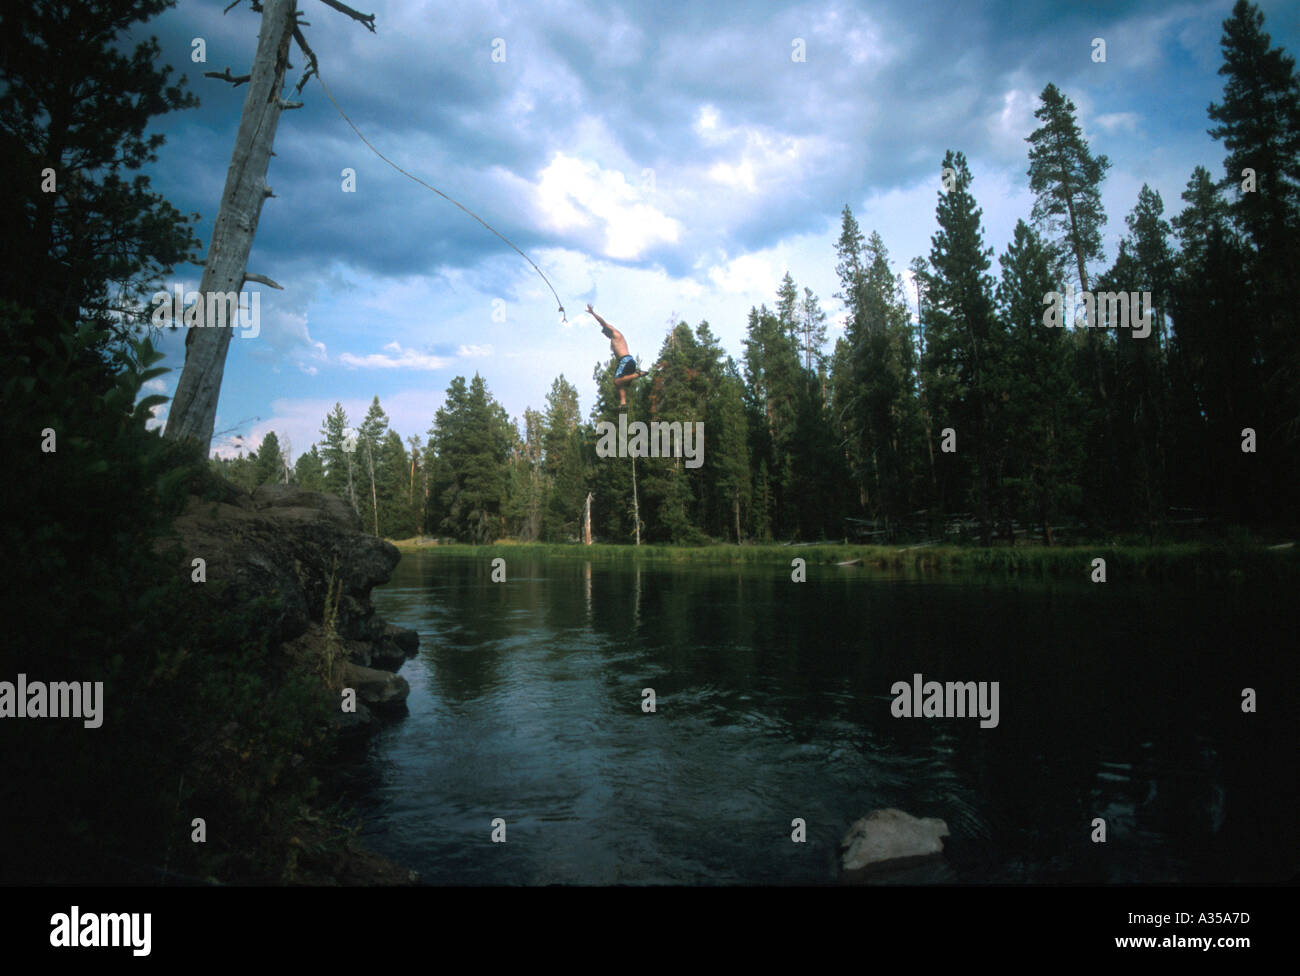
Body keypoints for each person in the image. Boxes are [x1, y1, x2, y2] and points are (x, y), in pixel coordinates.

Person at [587, 304, 644, 406]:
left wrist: (592, 313)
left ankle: (638, 374)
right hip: (626, 361)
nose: (606, 336)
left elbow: (602, 323)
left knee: (617, 381)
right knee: (620, 384)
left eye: (606, 334)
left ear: (608, 331)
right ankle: (623, 403)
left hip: (625, 360)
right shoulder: (613, 338)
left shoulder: (615, 333)